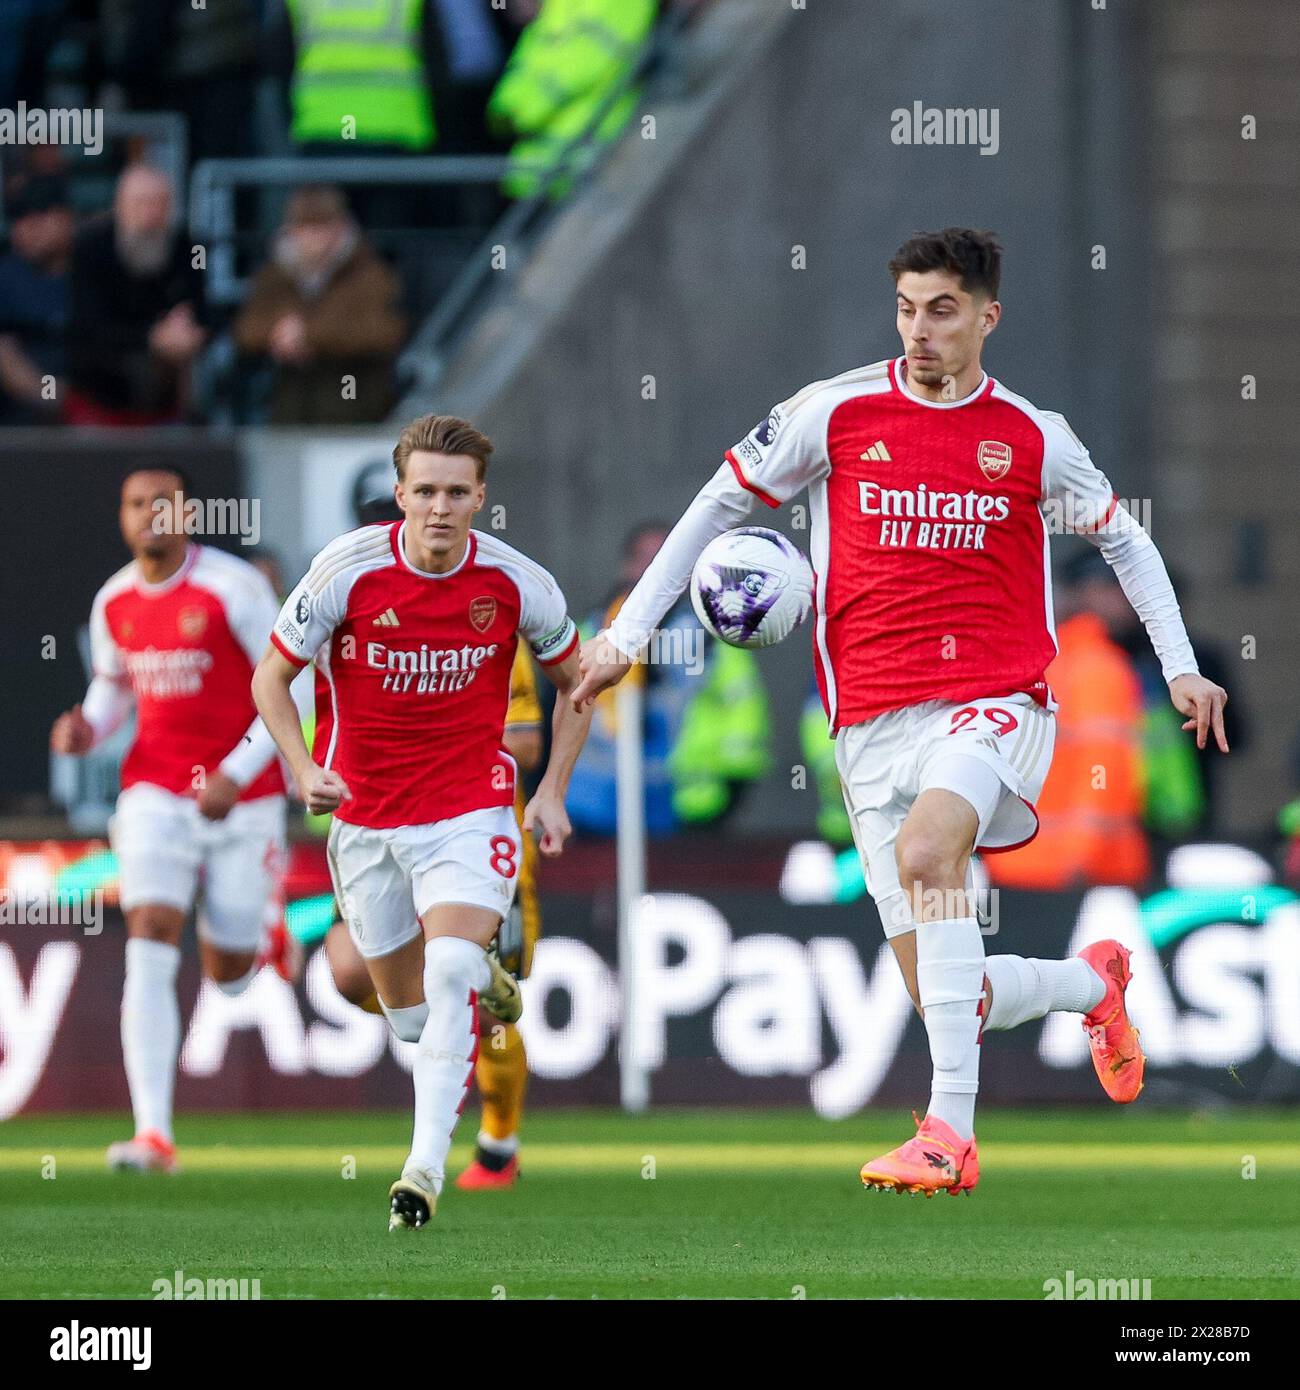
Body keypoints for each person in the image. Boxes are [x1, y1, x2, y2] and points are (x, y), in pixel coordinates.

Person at [573, 227, 1231, 1196]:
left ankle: (945, 1138)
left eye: (942, 310)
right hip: (868, 726)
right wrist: (628, 636)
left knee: (931, 858)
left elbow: (1125, 543)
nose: (919, 330)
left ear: (985, 317)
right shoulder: (833, 412)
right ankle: (1092, 985)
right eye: (906, 309)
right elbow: (716, 505)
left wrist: (1178, 666)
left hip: (995, 701)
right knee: (945, 1000)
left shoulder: (1032, 436)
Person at [252, 413, 592, 1230]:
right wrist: (302, 770)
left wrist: (549, 790)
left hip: (470, 807)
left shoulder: (516, 582)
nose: (440, 507)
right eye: (426, 491)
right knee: (409, 1014)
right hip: (367, 819)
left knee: (445, 973)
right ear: (401, 494)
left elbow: (579, 680)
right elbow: (271, 678)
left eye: (457, 492)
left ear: (480, 497)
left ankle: (423, 1173)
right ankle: (487, 979)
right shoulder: (346, 571)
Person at [49, 468, 303, 1174]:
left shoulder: (234, 589)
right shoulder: (114, 602)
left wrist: (238, 772)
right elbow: (112, 692)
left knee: (227, 975)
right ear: (123, 516)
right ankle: (153, 1133)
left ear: (188, 513)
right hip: (155, 791)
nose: (149, 515)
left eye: (163, 503)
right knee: (150, 934)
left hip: (241, 798)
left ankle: (262, 931)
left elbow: (295, 685)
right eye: (136, 504)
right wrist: (86, 730)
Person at [322, 643, 545, 1190]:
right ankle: (453, 1004)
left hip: (469, 836)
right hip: (379, 828)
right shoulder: (357, 612)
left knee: (484, 1011)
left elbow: (528, 744)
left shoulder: (490, 620)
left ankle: (498, 1143)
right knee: (349, 969)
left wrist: (434, 734)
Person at [566, 521, 771, 836]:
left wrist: (729, 787)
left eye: (666, 560)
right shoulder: (590, 633)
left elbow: (743, 718)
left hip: (687, 807)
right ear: (627, 565)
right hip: (595, 809)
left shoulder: (710, 639)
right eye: (645, 560)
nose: (654, 572)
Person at [983, 548, 1151, 889]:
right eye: (1126, 588)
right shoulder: (1101, 667)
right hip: (1087, 871)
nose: (1136, 602)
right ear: (1093, 592)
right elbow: (1102, 770)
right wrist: (1081, 858)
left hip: (1014, 862)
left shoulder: (1039, 663)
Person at [232, 185, 406, 425]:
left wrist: (308, 336)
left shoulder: (370, 274)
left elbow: (384, 332)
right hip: (289, 412)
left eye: (323, 227)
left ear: (342, 226)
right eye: (306, 228)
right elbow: (245, 329)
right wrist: (277, 335)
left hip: (355, 412)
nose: (315, 238)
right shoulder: (274, 275)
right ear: (291, 230)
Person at [64, 165, 206, 425]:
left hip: (167, 400)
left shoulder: (190, 249)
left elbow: (203, 312)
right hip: (99, 395)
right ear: (119, 206)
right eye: (140, 203)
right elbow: (89, 325)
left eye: (159, 204)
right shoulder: (90, 248)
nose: (150, 215)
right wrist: (152, 337)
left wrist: (189, 330)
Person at [0, 174, 72, 424]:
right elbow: (5, 354)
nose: (26, 229)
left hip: (97, 416)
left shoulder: (91, 273)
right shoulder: (5, 277)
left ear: (64, 218)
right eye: (20, 220)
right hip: (19, 424)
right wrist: (55, 397)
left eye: (38, 218)